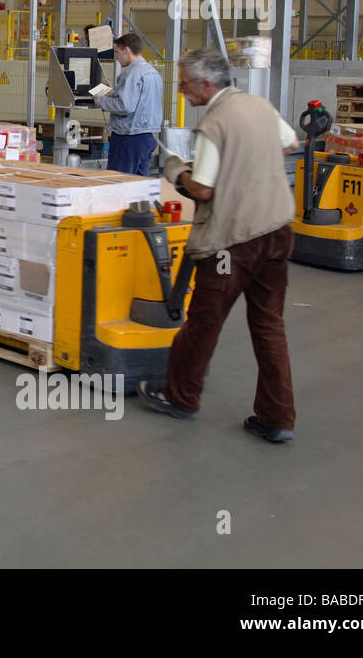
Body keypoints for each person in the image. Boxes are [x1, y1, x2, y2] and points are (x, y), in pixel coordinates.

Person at [138, 47, 302, 443]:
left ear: (206, 84)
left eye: (184, 83)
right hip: (278, 230)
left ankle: (180, 398)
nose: (181, 91)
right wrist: (248, 166)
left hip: (233, 244)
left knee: (204, 322)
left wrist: (176, 171)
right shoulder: (260, 106)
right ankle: (277, 417)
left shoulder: (213, 124)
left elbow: (204, 191)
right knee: (269, 324)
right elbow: (291, 142)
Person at [95, 32, 164, 176]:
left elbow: (124, 106)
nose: (117, 58)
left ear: (127, 50)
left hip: (129, 137)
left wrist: (100, 100)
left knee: (118, 183)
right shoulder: (153, 73)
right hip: (148, 136)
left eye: (117, 52)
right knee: (138, 185)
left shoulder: (131, 74)